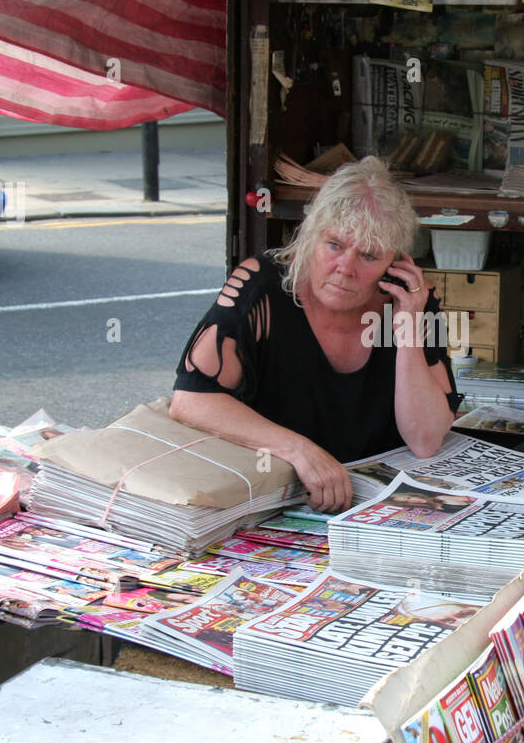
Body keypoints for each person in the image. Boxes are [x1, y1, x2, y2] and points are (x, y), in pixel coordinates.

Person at [170, 157, 460, 512]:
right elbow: (191, 400)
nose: (346, 269)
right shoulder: (261, 287)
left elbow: (425, 440)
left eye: (368, 255)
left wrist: (407, 329)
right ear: (310, 238)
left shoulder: (411, 300)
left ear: (395, 263)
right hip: (276, 489)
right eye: (334, 245)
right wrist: (300, 450)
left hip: (374, 499)